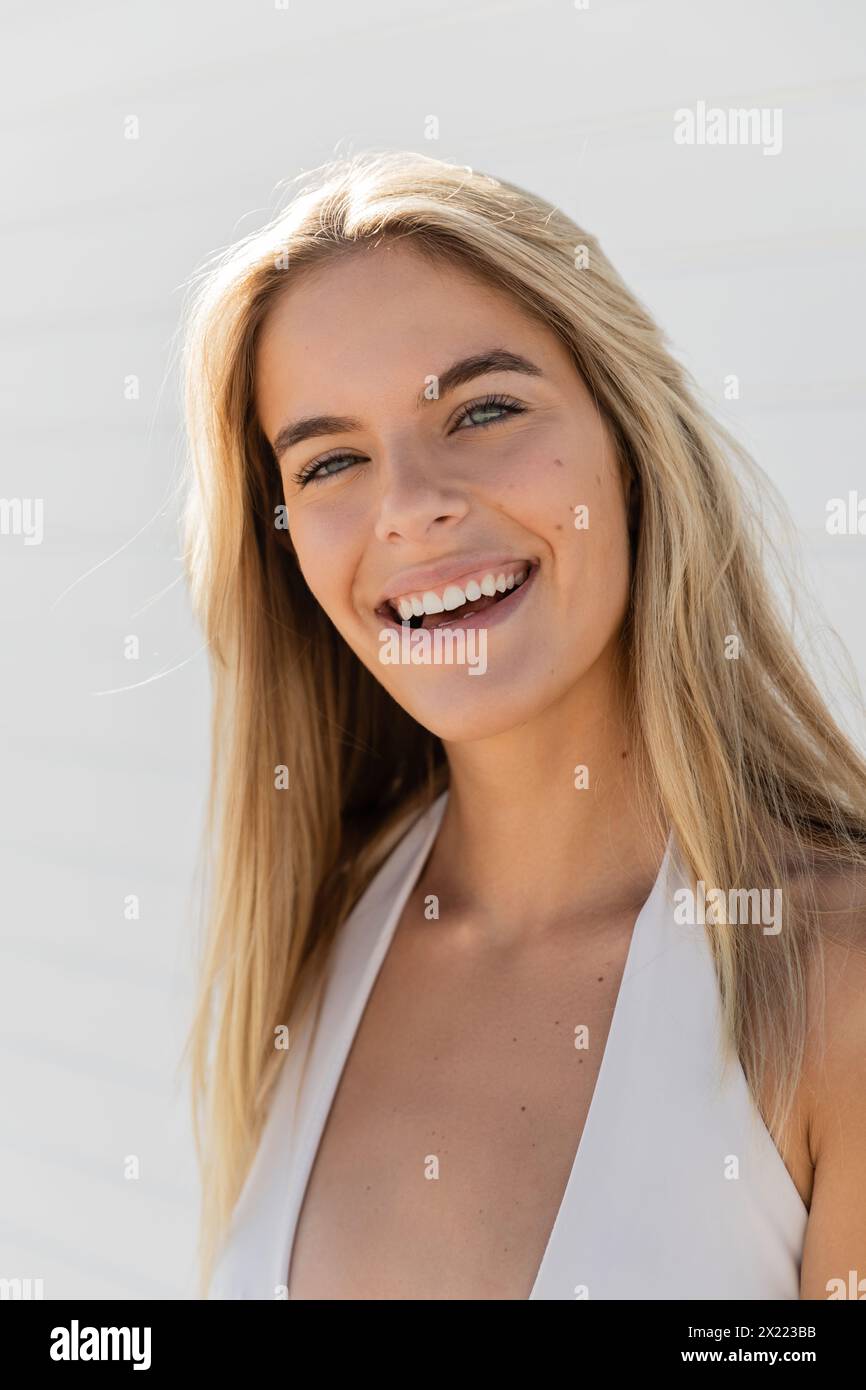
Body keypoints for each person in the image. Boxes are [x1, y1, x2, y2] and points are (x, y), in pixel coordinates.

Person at [180, 151, 866, 1300]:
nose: (410, 505)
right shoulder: (311, 932)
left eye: (483, 408)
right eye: (331, 459)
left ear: (630, 444)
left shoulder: (831, 986)